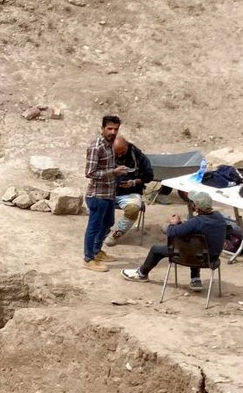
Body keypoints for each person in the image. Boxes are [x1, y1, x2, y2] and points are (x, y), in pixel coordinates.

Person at [120, 190, 228, 291]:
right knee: (196, 246)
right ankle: (195, 279)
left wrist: (173, 223)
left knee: (156, 249)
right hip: (211, 259)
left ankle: (141, 273)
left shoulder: (195, 222)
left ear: (196, 207)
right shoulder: (219, 218)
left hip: (190, 257)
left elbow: (171, 232)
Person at [82, 114, 129, 271]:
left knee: (108, 223)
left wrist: (118, 175)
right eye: (109, 128)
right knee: (93, 227)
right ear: (102, 129)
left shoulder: (110, 144)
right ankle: (88, 259)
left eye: (115, 129)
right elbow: (90, 172)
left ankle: (97, 251)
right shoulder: (96, 146)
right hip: (97, 195)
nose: (113, 132)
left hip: (109, 193)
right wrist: (113, 172)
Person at [104, 132, 156, 247]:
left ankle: (116, 234)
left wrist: (133, 182)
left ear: (127, 146)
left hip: (130, 193)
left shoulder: (138, 156)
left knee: (132, 210)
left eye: (122, 152)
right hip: (108, 190)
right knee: (97, 206)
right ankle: (102, 230)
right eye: (117, 153)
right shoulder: (105, 153)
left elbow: (149, 176)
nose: (120, 156)